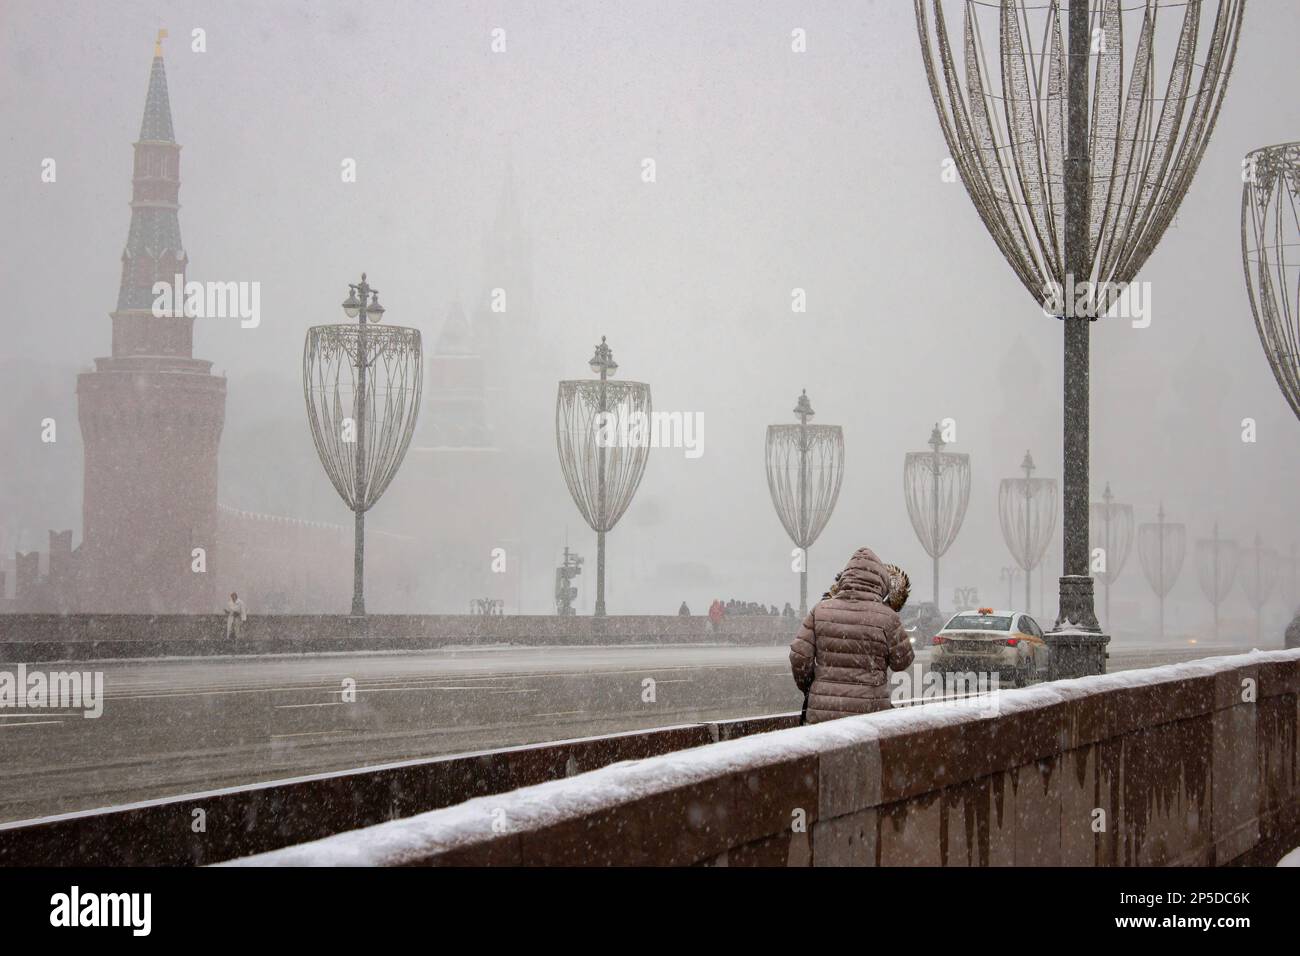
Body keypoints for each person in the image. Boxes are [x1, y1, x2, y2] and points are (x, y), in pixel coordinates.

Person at [789, 547, 914, 725]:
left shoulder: (820, 610)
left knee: (823, 752)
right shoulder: (888, 617)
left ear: (845, 578)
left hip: (822, 716)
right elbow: (902, 662)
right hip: (871, 718)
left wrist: (811, 686)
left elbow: (798, 657)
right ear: (882, 583)